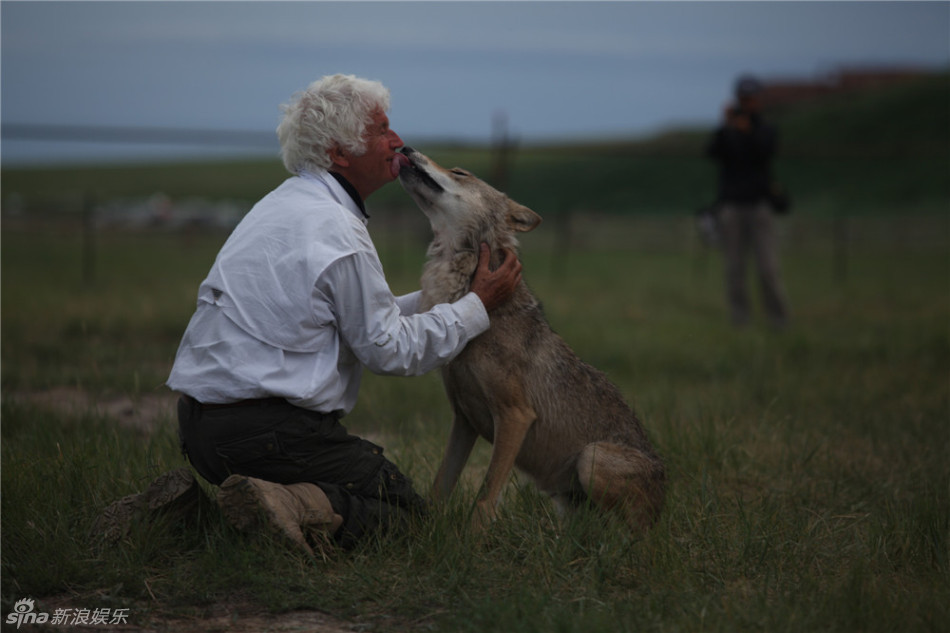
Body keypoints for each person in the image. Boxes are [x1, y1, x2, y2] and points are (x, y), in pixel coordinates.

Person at [130, 74, 521, 552]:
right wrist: (478, 307)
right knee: (406, 518)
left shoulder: (284, 205)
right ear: (339, 153)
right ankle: (289, 505)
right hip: (267, 434)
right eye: (381, 130)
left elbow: (359, 321)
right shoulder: (337, 231)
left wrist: (449, 296)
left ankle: (189, 521)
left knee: (351, 493)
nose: (397, 141)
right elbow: (388, 350)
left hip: (201, 432)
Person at [707, 75, 790, 329]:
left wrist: (747, 131)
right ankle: (740, 321)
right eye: (743, 99)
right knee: (734, 269)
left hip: (759, 204)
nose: (747, 103)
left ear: (759, 100)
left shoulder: (765, 129)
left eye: (751, 99)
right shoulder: (729, 130)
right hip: (732, 204)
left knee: (768, 268)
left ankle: (779, 321)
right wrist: (727, 126)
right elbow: (712, 152)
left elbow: (765, 152)